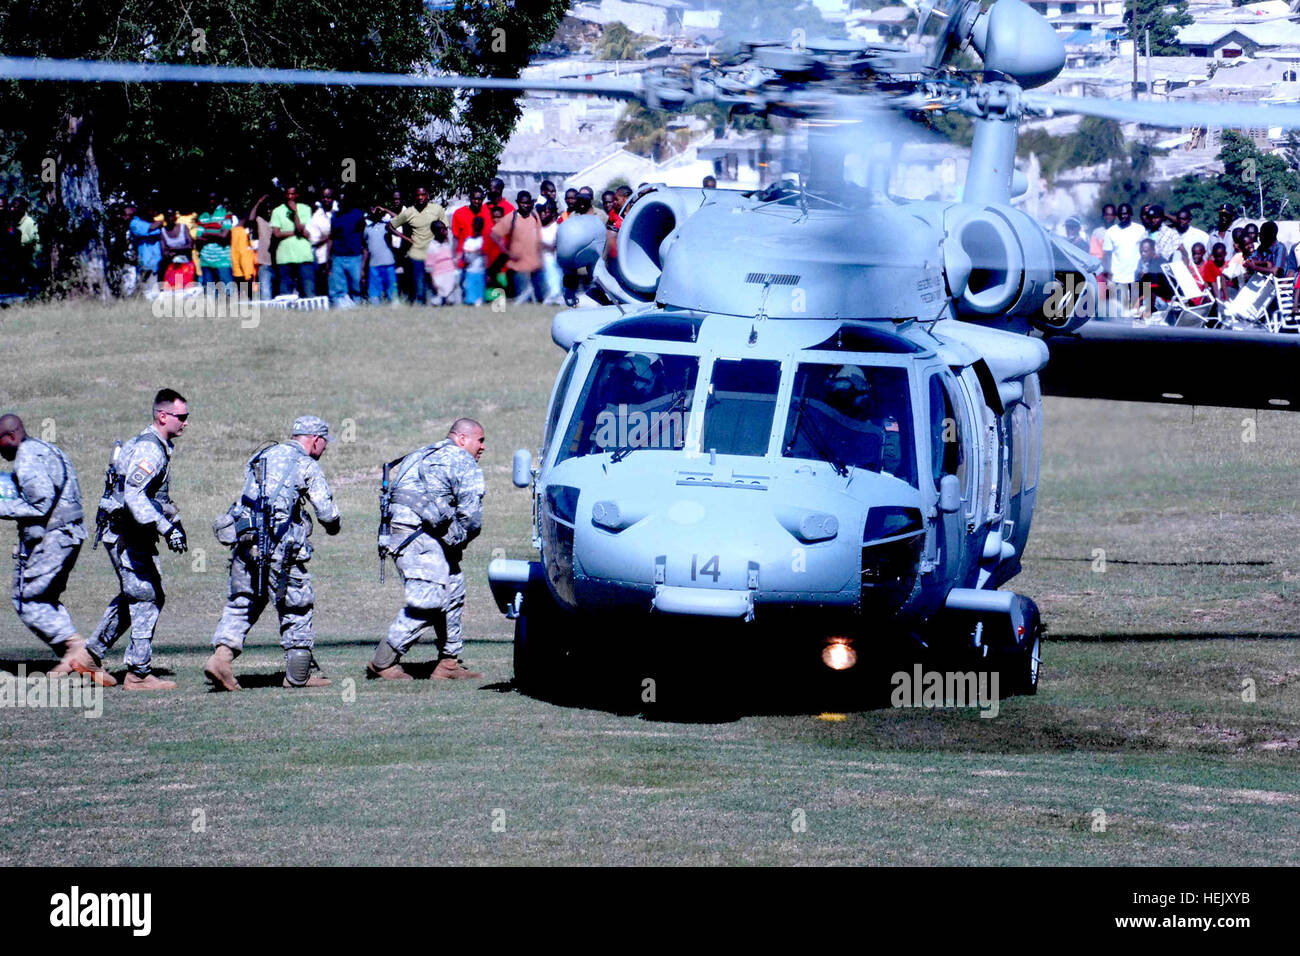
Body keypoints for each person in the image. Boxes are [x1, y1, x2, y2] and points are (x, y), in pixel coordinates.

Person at [205, 416, 341, 691]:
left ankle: (221, 659)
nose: (325, 448)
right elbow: (327, 514)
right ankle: (298, 675)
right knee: (296, 605)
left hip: (246, 541)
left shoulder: (262, 455)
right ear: (316, 440)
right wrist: (333, 525)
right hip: (282, 548)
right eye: (324, 442)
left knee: (244, 600)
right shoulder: (305, 464)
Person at [85, 389, 190, 691]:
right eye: (182, 417)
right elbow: (134, 496)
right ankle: (138, 674)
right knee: (147, 596)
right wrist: (166, 528)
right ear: (163, 416)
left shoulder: (155, 445)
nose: (186, 422)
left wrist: (173, 522)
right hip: (126, 533)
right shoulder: (150, 450)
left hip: (130, 531)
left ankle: (91, 654)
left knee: (136, 594)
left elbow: (156, 497)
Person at [369, 418, 486, 681]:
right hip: (420, 537)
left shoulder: (419, 454)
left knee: (453, 587)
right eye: (480, 440)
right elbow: (472, 516)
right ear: (462, 439)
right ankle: (383, 661)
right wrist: (461, 539)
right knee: (430, 599)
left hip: (404, 535)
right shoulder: (462, 460)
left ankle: (448, 663)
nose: (483, 447)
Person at [0, 414, 107, 684]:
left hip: (52, 538)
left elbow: (41, 502)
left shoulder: (27, 457)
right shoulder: (47, 449)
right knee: (45, 597)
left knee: (27, 599)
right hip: (69, 535)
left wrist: (3, 507)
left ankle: (77, 649)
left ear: (11, 436)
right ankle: (80, 663)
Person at [378, 187, 447, 305]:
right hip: (414, 252)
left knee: (435, 280)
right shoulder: (410, 212)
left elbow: (444, 230)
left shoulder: (436, 210)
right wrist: (407, 239)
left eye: (423, 195)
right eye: (418, 195)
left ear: (427, 195)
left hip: (432, 252)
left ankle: (438, 304)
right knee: (417, 281)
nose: (420, 197)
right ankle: (418, 304)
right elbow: (390, 225)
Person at [491, 190, 547, 302]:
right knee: (523, 299)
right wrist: (507, 252)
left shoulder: (534, 216)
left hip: (536, 265)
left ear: (531, 203)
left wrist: (541, 258)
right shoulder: (512, 218)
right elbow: (494, 234)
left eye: (527, 203)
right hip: (519, 266)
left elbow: (539, 238)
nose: (525, 205)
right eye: (522, 203)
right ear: (517, 202)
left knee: (542, 298)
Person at [270, 186, 316, 297]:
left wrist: (295, 212)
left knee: (308, 289)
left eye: (292, 194)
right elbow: (277, 233)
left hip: (303, 255)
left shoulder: (305, 209)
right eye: (288, 194)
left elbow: (300, 228)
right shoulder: (277, 211)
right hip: (285, 256)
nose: (290, 197)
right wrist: (296, 233)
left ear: (297, 195)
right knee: (285, 292)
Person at [328, 188, 366, 306]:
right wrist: (329, 257)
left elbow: (364, 238)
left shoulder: (358, 214)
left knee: (356, 288)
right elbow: (331, 237)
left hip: (355, 257)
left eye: (344, 199)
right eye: (339, 200)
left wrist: (363, 263)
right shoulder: (335, 216)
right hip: (338, 257)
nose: (342, 202)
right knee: (339, 290)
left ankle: (357, 309)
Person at [1102, 203, 1146, 305]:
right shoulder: (1110, 232)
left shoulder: (1140, 229)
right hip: (1117, 277)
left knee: (1135, 307)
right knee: (1118, 308)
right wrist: (1108, 274)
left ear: (1131, 214)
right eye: (1120, 214)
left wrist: (1144, 270)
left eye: (1125, 213)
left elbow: (1145, 252)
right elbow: (1107, 255)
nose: (1123, 216)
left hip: (1136, 276)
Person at [196, 192, 237, 290]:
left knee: (228, 292)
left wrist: (207, 234)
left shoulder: (226, 214)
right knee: (210, 294)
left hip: (222, 260)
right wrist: (217, 234)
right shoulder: (203, 216)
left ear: (218, 200)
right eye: (209, 199)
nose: (211, 201)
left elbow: (224, 236)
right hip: (206, 260)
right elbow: (198, 239)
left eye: (214, 199)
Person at [129, 201, 163, 299]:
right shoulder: (135, 223)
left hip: (157, 262)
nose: (154, 213)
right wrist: (162, 221)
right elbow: (150, 228)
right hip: (145, 261)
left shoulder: (153, 222)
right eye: (151, 211)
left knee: (157, 291)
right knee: (146, 290)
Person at [364, 207, 398, 304]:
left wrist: (385, 210)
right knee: (374, 291)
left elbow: (400, 218)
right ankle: (375, 306)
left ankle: (394, 303)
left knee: (392, 288)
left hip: (388, 262)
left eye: (377, 210)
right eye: (372, 210)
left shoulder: (387, 226)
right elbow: (366, 247)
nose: (375, 212)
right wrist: (363, 266)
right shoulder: (367, 229)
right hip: (374, 264)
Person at [425, 220, 459, 305]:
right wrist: (434, 283)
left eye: (445, 229)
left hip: (450, 274)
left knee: (451, 300)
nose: (446, 232)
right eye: (443, 230)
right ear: (436, 232)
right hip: (438, 276)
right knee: (437, 302)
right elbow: (429, 268)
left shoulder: (448, 243)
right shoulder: (432, 246)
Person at [159, 210, 196, 289]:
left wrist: (174, 250)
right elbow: (164, 251)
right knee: (174, 291)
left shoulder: (183, 227)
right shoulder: (163, 231)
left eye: (171, 216)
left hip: (186, 265)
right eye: (167, 216)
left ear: (175, 217)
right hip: (173, 267)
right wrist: (168, 253)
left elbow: (190, 245)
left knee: (187, 290)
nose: (170, 218)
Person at [461, 215, 487, 306]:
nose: (476, 227)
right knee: (470, 294)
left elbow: (486, 256)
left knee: (480, 295)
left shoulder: (484, 240)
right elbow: (465, 257)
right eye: (475, 225)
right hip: (470, 271)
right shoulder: (468, 241)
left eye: (479, 225)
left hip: (481, 271)